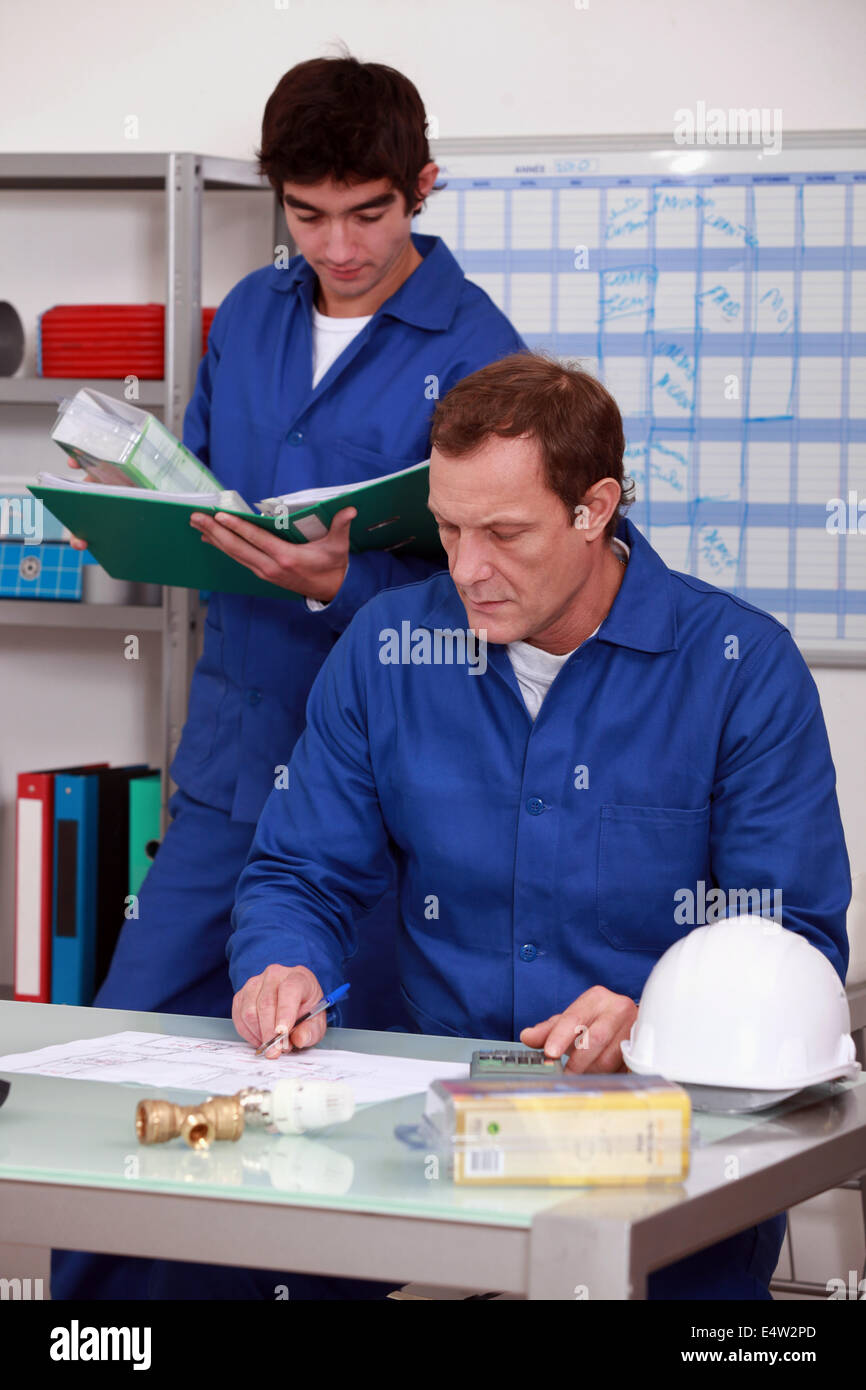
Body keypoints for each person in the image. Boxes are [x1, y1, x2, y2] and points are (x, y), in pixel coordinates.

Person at [162, 352, 850, 1301]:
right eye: (446, 528)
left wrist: (663, 1019)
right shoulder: (388, 650)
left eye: (505, 533)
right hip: (421, 1141)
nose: (466, 570)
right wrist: (282, 967)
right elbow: (299, 874)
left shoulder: (741, 670)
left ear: (595, 507)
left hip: (665, 1147)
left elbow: (794, 945)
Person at [51, 53, 524, 1302]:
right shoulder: (255, 312)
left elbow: (503, 596)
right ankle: (98, 1331)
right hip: (225, 763)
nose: (338, 246)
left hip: (381, 789)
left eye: (366, 213)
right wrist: (158, 512)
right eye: (307, 216)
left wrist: (344, 587)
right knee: (124, 1062)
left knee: (317, 1105)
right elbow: (202, 479)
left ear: (421, 188)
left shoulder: (482, 353)